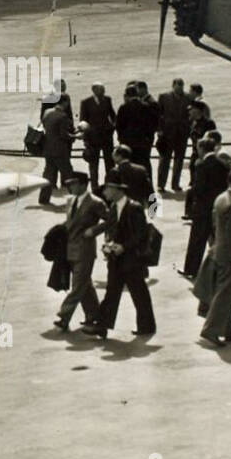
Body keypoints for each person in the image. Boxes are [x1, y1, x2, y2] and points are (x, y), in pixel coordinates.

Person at [83, 180, 155, 339]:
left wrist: (124, 247)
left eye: (107, 189)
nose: (105, 193)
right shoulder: (114, 207)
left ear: (117, 189)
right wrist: (108, 245)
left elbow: (141, 234)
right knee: (112, 292)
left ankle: (147, 326)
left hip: (132, 258)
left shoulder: (134, 207)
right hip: (116, 258)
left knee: (138, 292)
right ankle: (102, 326)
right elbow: (110, 227)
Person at [198, 169, 231, 347]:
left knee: (222, 291)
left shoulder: (221, 198)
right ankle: (211, 330)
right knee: (225, 294)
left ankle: (228, 330)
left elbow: (215, 225)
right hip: (228, 255)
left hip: (218, 251)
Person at [54, 173, 108, 331]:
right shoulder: (70, 200)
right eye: (70, 183)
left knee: (77, 285)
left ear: (84, 185)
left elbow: (111, 219)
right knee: (85, 284)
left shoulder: (95, 202)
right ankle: (94, 315)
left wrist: (94, 230)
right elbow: (71, 222)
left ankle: (64, 316)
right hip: (69, 248)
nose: (70, 187)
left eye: (74, 183)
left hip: (85, 249)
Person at [181, 135, 228, 279]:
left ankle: (191, 269)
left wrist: (191, 192)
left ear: (201, 148)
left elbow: (199, 188)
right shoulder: (221, 164)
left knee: (197, 240)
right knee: (219, 238)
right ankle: (223, 268)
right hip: (217, 206)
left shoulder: (201, 165)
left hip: (202, 207)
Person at [79, 83, 117, 193]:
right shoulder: (86, 102)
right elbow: (83, 121)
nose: (103, 91)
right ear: (94, 90)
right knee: (93, 164)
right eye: (101, 89)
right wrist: (86, 139)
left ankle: (110, 185)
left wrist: (113, 127)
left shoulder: (107, 99)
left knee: (109, 163)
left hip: (106, 137)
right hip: (92, 138)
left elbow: (112, 115)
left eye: (104, 89)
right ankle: (94, 187)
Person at [155, 78, 191, 193]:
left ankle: (175, 184)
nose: (180, 88)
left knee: (179, 160)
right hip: (167, 133)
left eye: (182, 85)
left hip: (182, 133)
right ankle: (161, 184)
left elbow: (190, 115)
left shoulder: (188, 98)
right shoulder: (164, 97)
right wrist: (159, 130)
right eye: (178, 85)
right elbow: (158, 114)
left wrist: (188, 129)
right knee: (165, 159)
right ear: (173, 86)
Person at [38, 100, 76, 204]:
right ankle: (77, 198)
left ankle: (43, 198)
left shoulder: (47, 112)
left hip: (48, 148)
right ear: (65, 103)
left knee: (48, 174)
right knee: (68, 173)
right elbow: (63, 135)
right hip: (60, 150)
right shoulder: (62, 116)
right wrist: (74, 136)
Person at [116, 84, 157, 172]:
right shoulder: (146, 106)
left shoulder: (123, 108)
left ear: (127, 95)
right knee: (144, 164)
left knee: (129, 165)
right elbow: (151, 125)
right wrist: (148, 139)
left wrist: (121, 139)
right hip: (142, 142)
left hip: (128, 142)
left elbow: (119, 126)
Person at [110, 143, 153, 207]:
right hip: (138, 206)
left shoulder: (114, 172)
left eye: (114, 154)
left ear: (119, 156)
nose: (112, 156)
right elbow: (149, 190)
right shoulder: (141, 170)